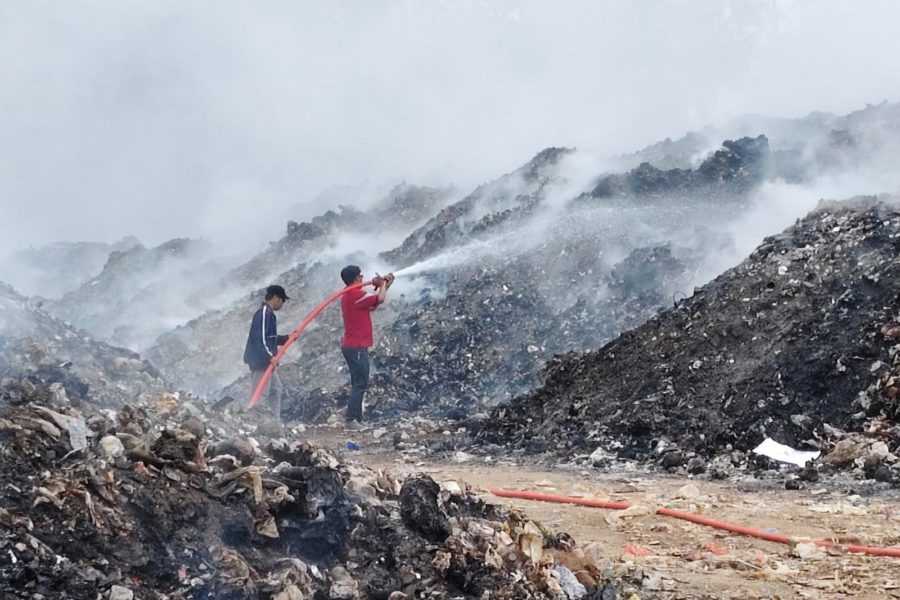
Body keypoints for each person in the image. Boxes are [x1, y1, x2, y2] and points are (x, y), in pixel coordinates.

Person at [339, 265, 394, 426]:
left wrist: (385, 285)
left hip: (355, 345)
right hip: (355, 346)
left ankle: (356, 419)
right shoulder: (354, 294)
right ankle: (351, 420)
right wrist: (383, 284)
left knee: (360, 382)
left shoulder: (350, 295)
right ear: (356, 278)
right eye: (361, 276)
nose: (363, 278)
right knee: (360, 383)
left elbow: (373, 304)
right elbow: (380, 299)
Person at [243, 284, 290, 422]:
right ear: (275, 298)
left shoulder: (269, 314)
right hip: (261, 361)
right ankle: (254, 422)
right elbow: (261, 338)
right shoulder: (264, 313)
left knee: (276, 389)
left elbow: (270, 338)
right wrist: (270, 357)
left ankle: (274, 422)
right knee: (260, 394)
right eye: (282, 301)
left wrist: (285, 338)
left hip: (266, 361)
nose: (282, 304)